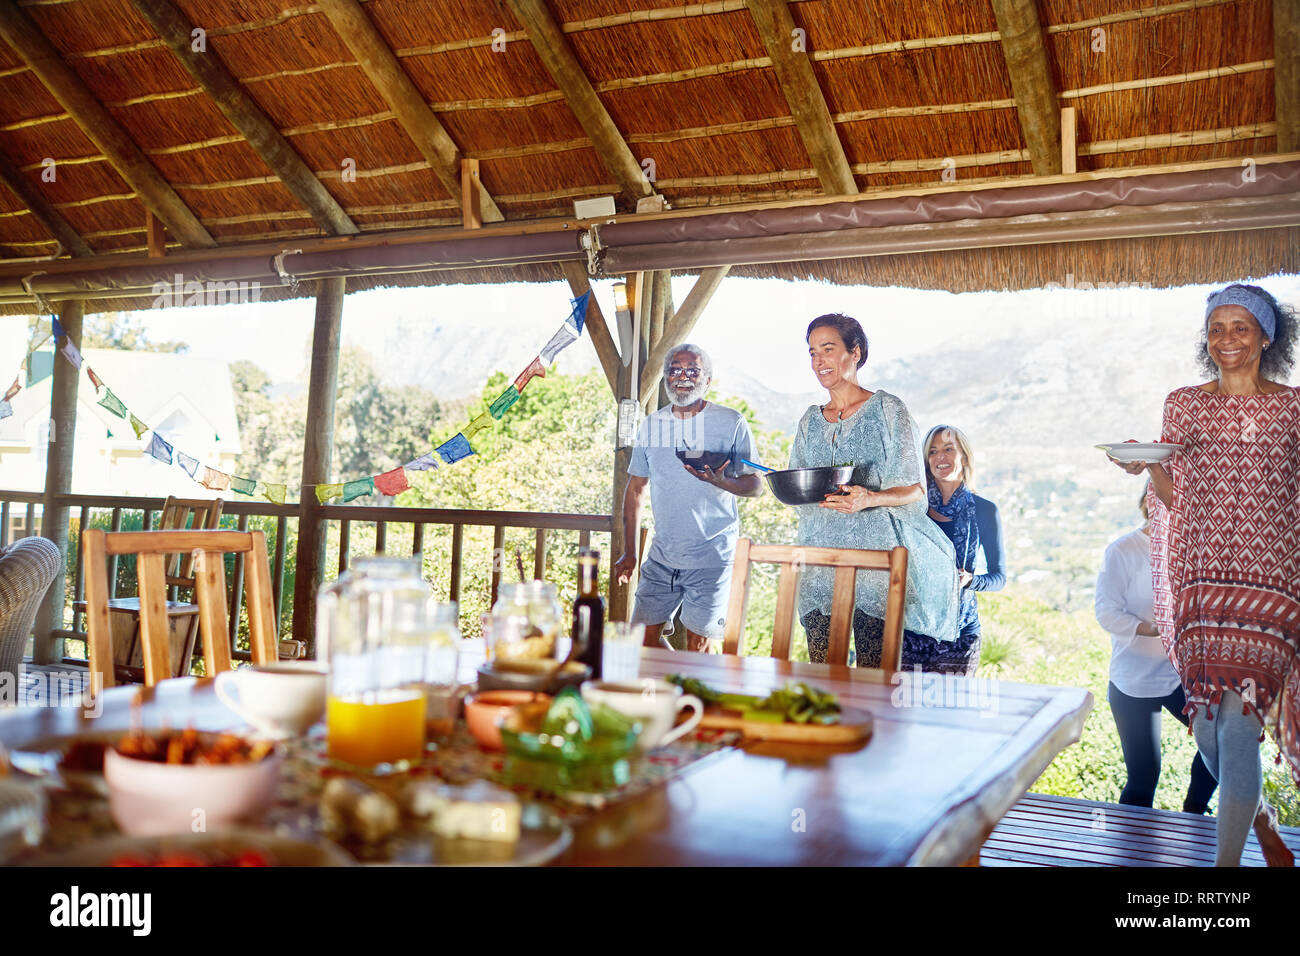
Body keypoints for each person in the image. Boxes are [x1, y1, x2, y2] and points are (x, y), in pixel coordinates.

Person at [1111, 282, 1298, 866]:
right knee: (1210, 729)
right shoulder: (1183, 405)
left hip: (1272, 588)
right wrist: (1146, 467)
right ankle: (1259, 815)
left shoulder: (1294, 409)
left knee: (1237, 724)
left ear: (1266, 336)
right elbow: (1175, 496)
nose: (1227, 340)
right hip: (1200, 583)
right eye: (1217, 329)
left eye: (1240, 327)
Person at [790, 314, 960, 669]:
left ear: (856, 352)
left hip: (876, 567)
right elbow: (799, 484)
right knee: (822, 673)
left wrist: (871, 498)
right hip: (820, 564)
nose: (819, 360)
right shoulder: (809, 420)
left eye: (828, 348)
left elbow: (915, 490)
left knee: (875, 678)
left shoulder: (887, 409)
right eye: (812, 352)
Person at [614, 344, 762, 652]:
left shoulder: (731, 422)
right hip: (661, 556)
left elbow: (755, 486)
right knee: (642, 643)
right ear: (665, 378)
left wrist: (723, 481)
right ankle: (671, 688)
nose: (683, 377)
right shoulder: (652, 425)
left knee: (699, 648)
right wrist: (630, 552)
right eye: (675, 369)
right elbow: (636, 489)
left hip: (712, 556)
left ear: (707, 380)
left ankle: (690, 698)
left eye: (693, 370)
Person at [1095, 485, 1217, 814]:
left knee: (1218, 743)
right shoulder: (1123, 550)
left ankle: (1194, 814)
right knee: (1144, 777)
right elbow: (1107, 612)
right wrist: (1154, 628)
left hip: (1181, 676)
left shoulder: (1195, 550)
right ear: (1150, 500)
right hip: (1133, 683)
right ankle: (1133, 848)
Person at [923, 425, 1005, 674]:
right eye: (933, 451)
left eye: (949, 449)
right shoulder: (915, 508)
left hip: (961, 634)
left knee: (952, 711)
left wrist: (970, 581)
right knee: (907, 709)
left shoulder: (985, 510)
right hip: (912, 630)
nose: (941, 457)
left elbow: (999, 578)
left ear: (965, 457)